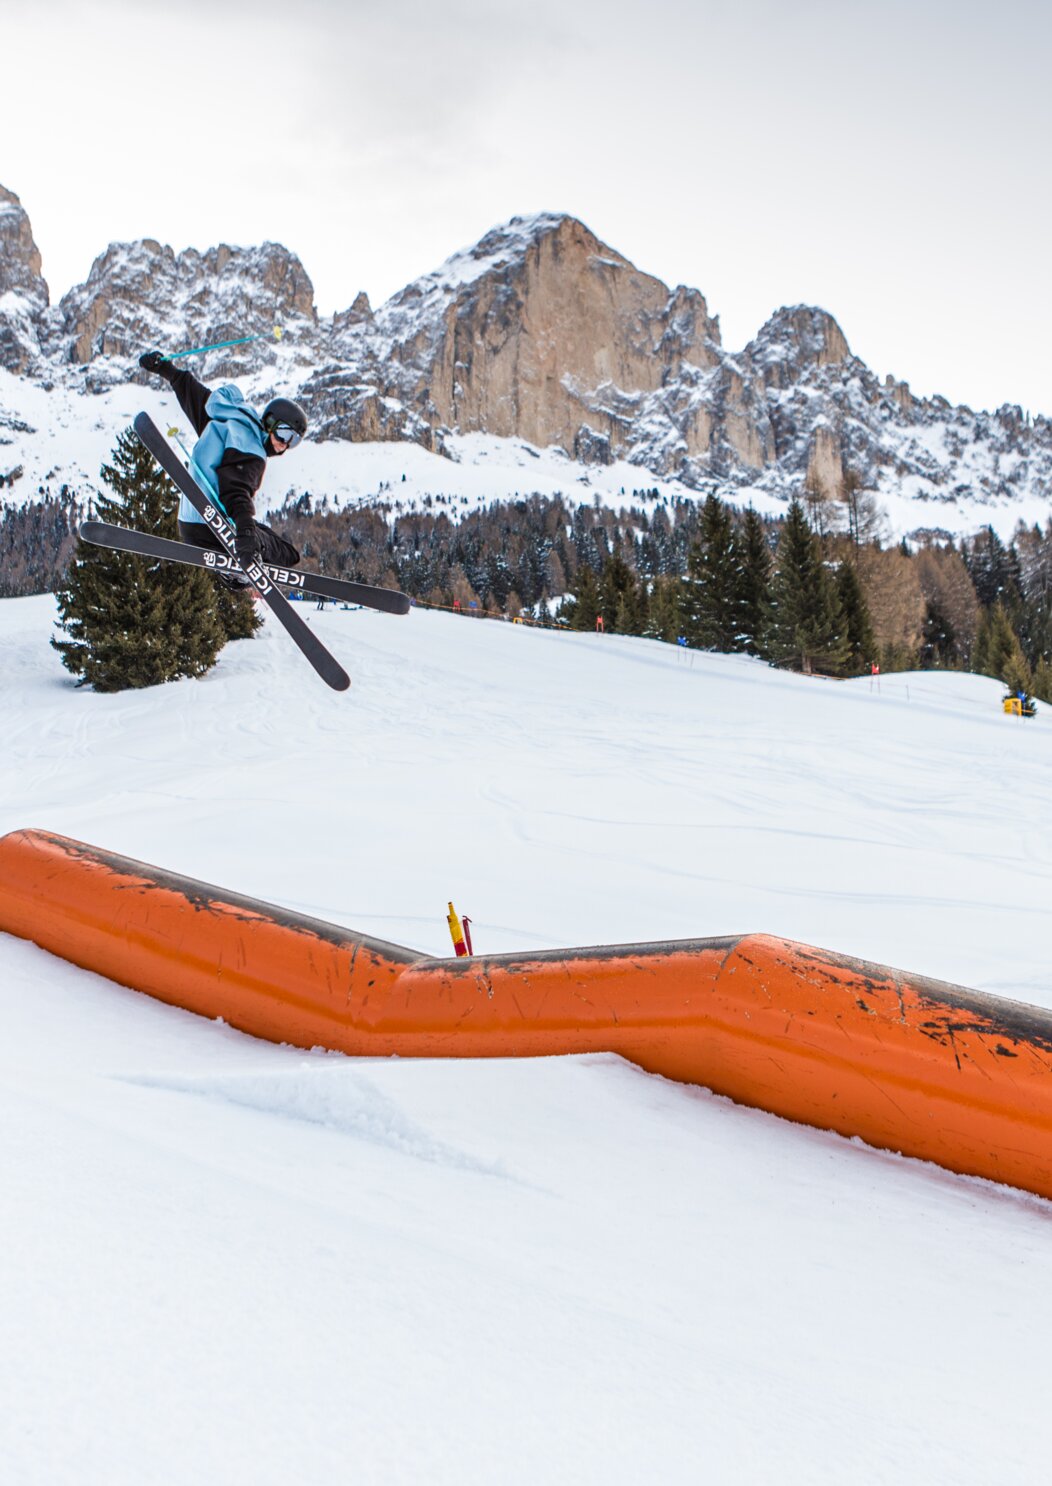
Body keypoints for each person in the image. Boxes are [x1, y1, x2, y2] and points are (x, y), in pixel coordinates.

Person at [138, 350, 303, 585]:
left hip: (189, 520)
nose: (285, 444)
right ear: (269, 421)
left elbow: (190, 392)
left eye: (293, 440)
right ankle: (240, 571)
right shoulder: (252, 448)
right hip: (211, 526)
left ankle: (234, 571)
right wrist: (246, 536)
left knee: (269, 536)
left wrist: (164, 368)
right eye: (284, 432)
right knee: (286, 554)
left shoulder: (226, 419)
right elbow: (235, 489)